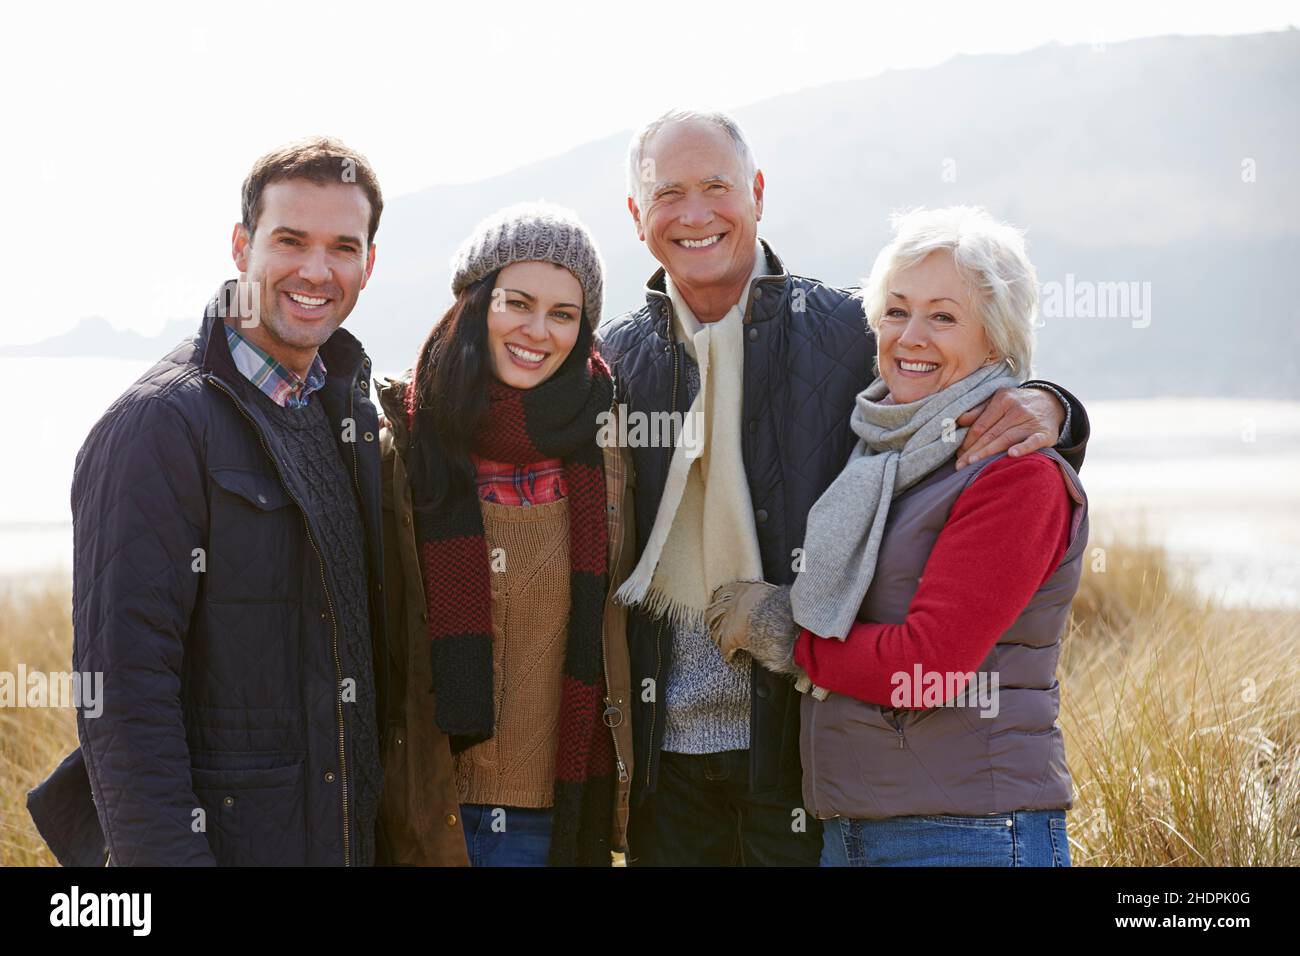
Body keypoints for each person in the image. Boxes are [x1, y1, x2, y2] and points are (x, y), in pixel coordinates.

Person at [597, 108, 1090, 866]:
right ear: (637, 215)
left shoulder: (849, 334)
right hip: (667, 772)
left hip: (803, 764)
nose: (695, 214)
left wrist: (1053, 404)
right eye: (668, 194)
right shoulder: (611, 362)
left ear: (758, 191)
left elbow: (956, 386)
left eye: (717, 186)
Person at [27, 137, 388, 866]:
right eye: (290, 240)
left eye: (342, 247)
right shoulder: (159, 426)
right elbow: (122, 702)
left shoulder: (346, 416)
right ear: (241, 246)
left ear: (368, 264)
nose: (316, 271)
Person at [707, 205, 1086, 867]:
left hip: (970, 836)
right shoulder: (882, 451)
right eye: (897, 310)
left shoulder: (1016, 475)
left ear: (996, 342)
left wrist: (784, 634)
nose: (911, 336)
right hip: (858, 830)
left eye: (944, 316)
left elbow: (926, 668)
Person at [374, 203, 635, 866]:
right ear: (475, 303)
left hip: (553, 823)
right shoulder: (400, 445)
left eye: (564, 315)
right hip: (426, 815)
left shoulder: (610, 450)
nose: (537, 331)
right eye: (516, 302)